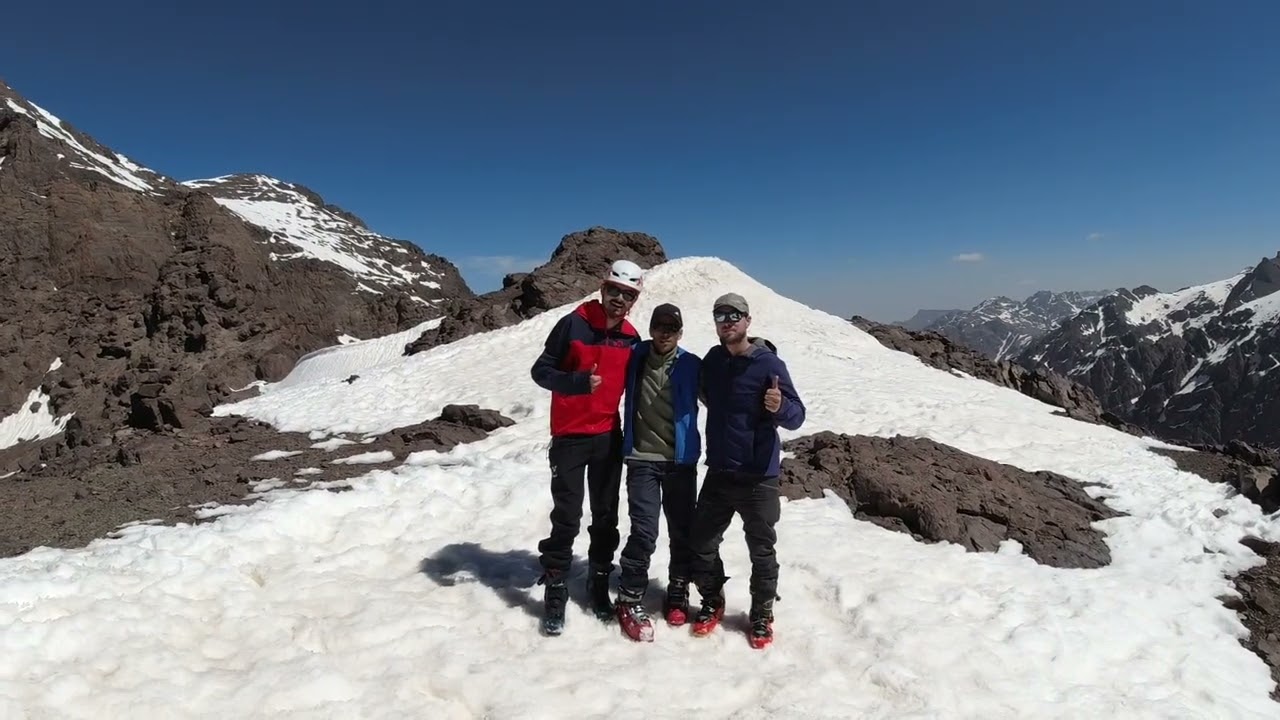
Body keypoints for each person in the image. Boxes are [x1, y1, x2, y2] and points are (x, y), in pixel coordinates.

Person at [529, 259, 645, 636]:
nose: (619, 299)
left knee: (606, 515)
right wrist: (576, 382)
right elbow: (541, 371)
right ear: (602, 288)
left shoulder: (631, 337)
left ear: (634, 300)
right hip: (569, 436)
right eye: (615, 291)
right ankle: (557, 586)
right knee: (567, 515)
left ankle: (597, 580)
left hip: (608, 435)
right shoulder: (573, 324)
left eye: (628, 295)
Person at [687, 292, 806, 649]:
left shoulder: (768, 365)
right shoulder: (713, 359)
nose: (728, 321)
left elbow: (797, 416)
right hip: (721, 471)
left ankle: (761, 615)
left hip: (759, 476)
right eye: (721, 315)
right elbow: (708, 394)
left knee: (761, 550)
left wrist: (780, 405)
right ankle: (713, 599)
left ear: (747, 321)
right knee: (701, 544)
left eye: (734, 315)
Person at [613, 303, 703, 642]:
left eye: (672, 328)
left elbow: (724, 396)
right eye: (659, 326)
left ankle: (678, 589)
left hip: (680, 462)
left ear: (680, 333)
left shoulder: (692, 365)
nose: (665, 333)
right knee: (644, 530)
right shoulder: (634, 356)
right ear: (650, 328)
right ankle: (630, 595)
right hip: (642, 459)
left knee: (682, 531)